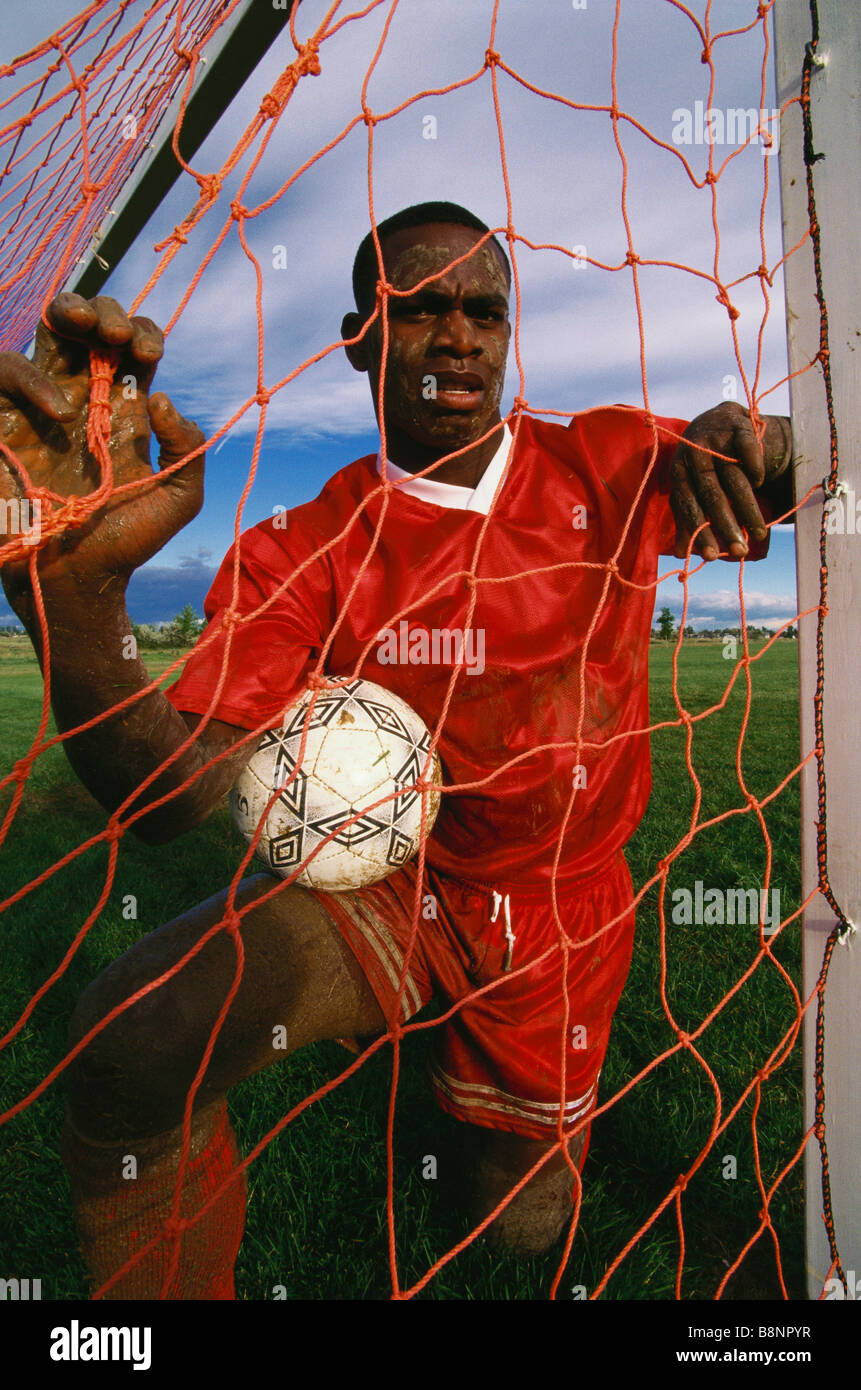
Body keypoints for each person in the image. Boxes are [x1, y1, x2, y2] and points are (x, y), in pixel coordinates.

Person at [0, 201, 793, 1298]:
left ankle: (473, 1084)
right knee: (135, 1036)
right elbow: (174, 792)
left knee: (512, 1235)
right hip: (391, 875)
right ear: (359, 334)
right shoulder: (306, 544)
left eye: (483, 310)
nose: (459, 335)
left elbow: (771, 476)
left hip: (561, 904)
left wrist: (769, 444)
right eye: (419, 308)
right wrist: (77, 594)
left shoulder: (607, 463)